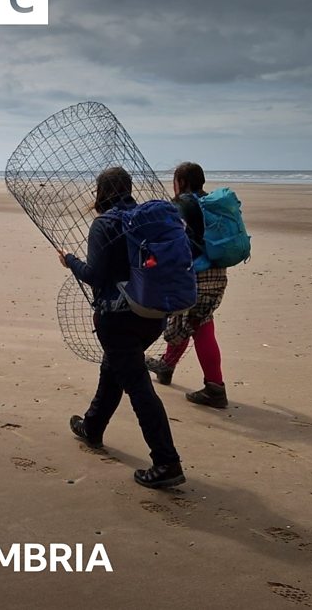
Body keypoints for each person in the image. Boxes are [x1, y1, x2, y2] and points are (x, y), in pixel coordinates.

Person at [59, 167, 186, 489]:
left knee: (138, 387)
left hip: (117, 318)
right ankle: (93, 426)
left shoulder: (105, 224)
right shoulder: (146, 220)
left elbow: (95, 276)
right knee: (114, 368)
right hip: (153, 314)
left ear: (100, 193)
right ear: (129, 189)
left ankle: (167, 462)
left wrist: (69, 260)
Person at [146, 161, 230, 409]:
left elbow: (170, 238)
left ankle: (215, 388)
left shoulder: (183, 204)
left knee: (201, 326)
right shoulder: (211, 204)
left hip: (195, 275)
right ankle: (167, 366)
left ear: (181, 182)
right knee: (187, 320)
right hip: (217, 272)